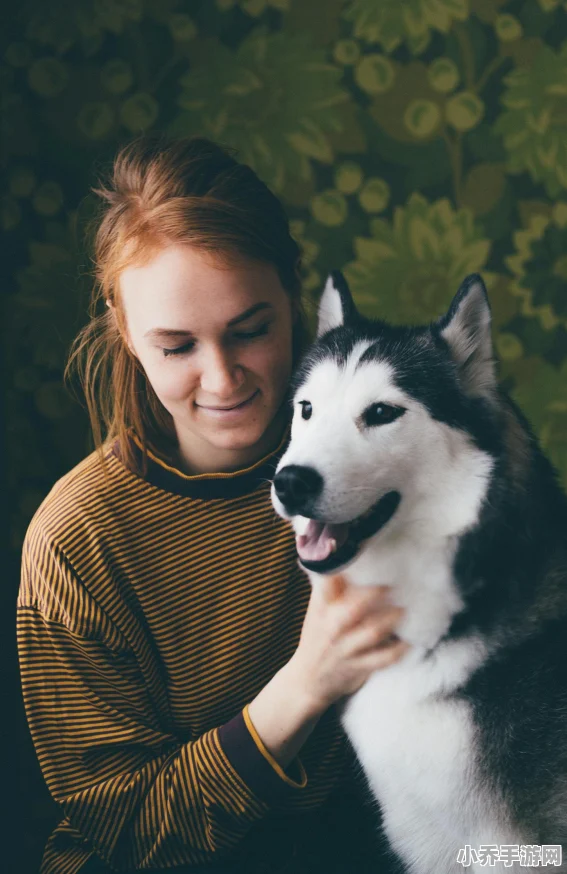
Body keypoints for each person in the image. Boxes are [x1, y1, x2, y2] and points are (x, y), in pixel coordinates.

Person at [17, 135, 409, 874]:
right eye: (176, 347)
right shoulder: (76, 541)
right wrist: (308, 682)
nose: (223, 379)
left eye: (250, 331)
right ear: (124, 329)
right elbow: (123, 831)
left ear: (291, 293)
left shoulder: (385, 445)